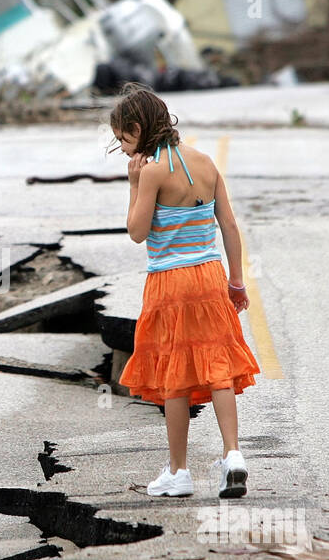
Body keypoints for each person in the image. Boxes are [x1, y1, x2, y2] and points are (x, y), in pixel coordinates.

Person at [111, 84, 261, 499]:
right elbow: (229, 226)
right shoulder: (206, 163)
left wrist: (133, 183)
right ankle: (233, 455)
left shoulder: (153, 171)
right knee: (218, 369)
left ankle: (179, 471)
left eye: (123, 139)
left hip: (169, 284)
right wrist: (236, 282)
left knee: (174, 376)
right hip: (210, 277)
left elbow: (137, 233)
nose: (123, 149)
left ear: (139, 129)